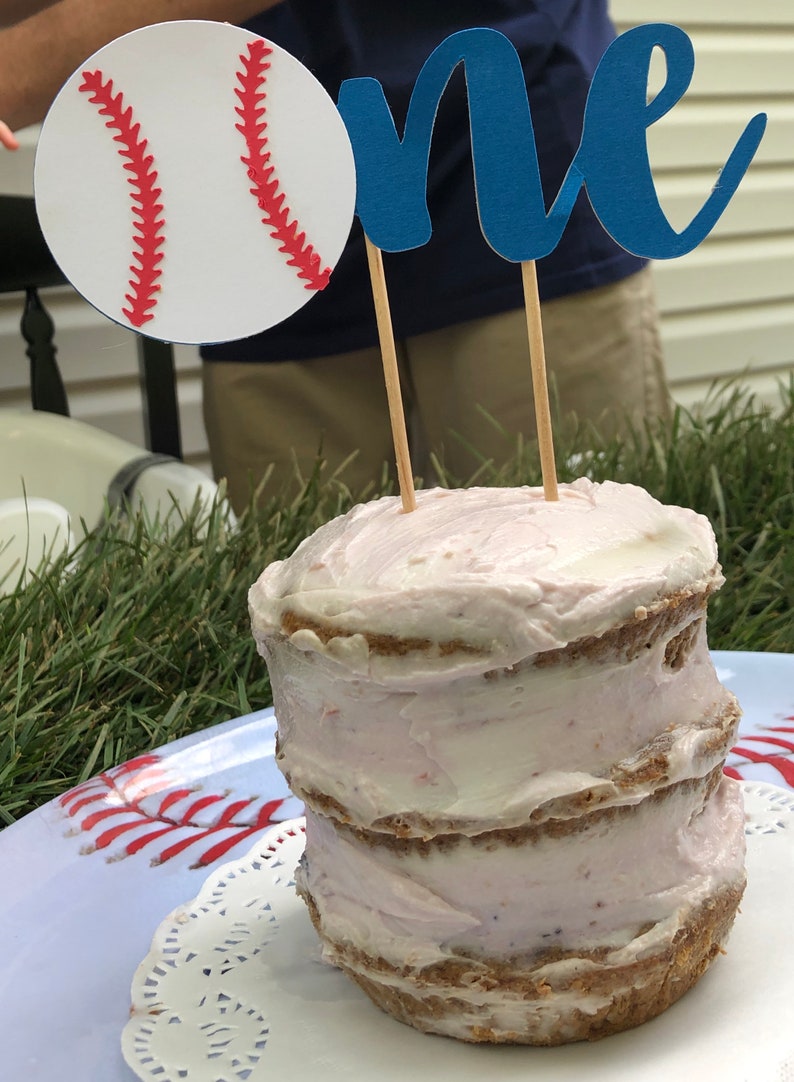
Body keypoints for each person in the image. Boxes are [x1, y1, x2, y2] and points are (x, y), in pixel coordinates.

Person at [1, 1, 670, 509]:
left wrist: (16, 70)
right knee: (311, 599)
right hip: (257, 166)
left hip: (501, 122)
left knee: (580, 564)